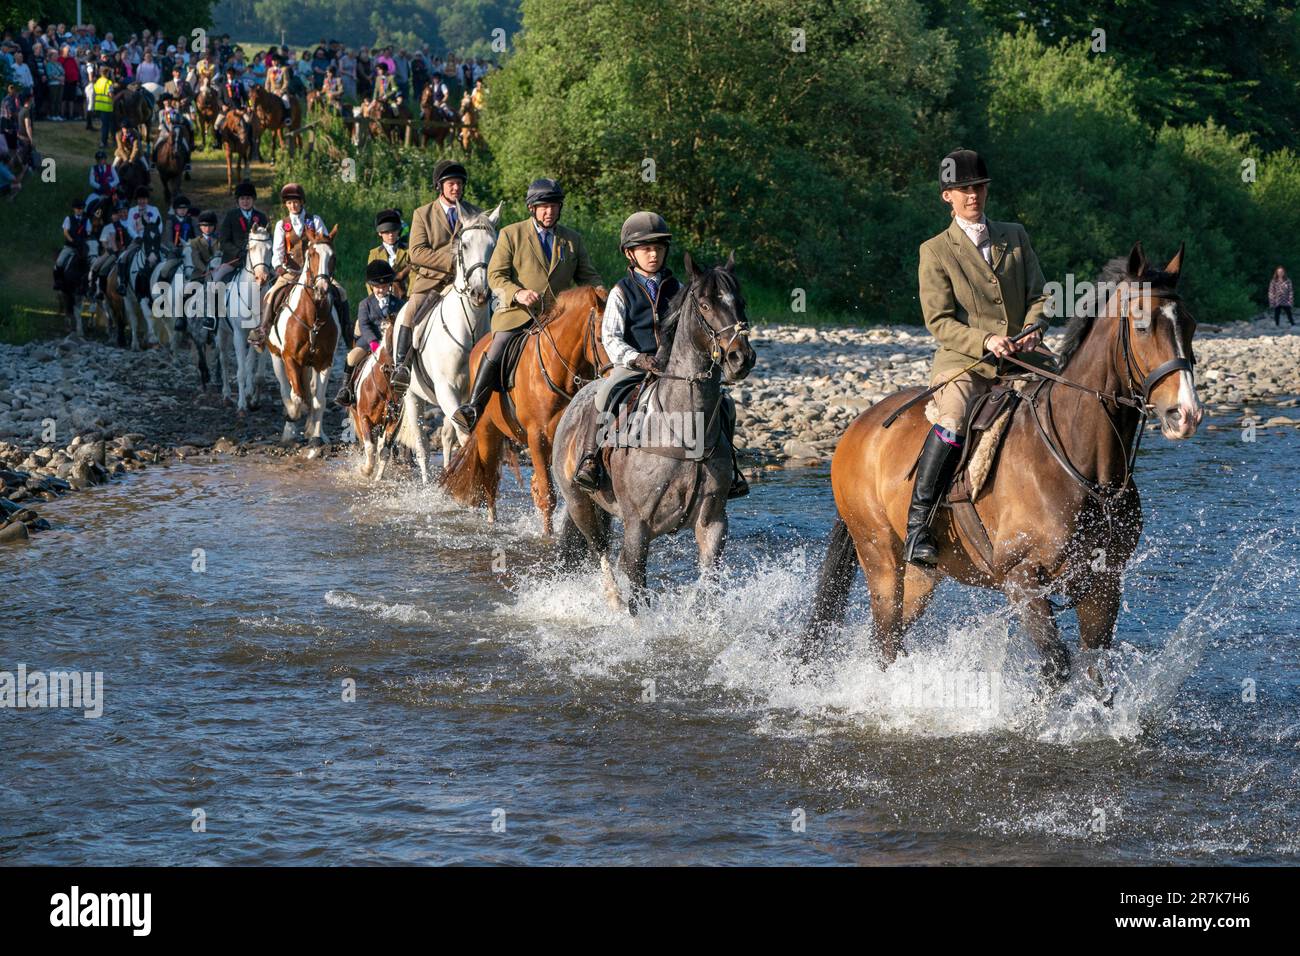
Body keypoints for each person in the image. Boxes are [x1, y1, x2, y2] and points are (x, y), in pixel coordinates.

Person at [907, 148, 1048, 566]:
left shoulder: (1015, 235)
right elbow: (939, 321)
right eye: (964, 189)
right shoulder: (934, 251)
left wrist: (1035, 326)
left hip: (1023, 355)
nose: (973, 195)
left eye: (979, 187)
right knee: (952, 421)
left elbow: (1040, 294)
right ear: (946, 196)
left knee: (1081, 394)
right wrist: (986, 339)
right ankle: (919, 526)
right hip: (964, 362)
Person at [449, 178, 601, 431]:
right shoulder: (511, 234)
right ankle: (473, 407)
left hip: (557, 317)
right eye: (543, 206)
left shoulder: (572, 239)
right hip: (518, 314)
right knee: (497, 347)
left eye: (553, 206)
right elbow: (495, 276)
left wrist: (602, 293)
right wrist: (517, 293)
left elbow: (589, 276)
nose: (549, 211)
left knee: (593, 347)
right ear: (532, 208)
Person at [391, 160, 481, 387]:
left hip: (469, 282)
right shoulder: (423, 214)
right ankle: (401, 367)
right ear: (439, 186)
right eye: (451, 184)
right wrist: (454, 261)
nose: (456, 188)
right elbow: (417, 253)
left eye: (459, 183)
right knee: (410, 312)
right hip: (431, 283)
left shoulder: (475, 213)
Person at [250, 182, 348, 350]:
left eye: (295, 202)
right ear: (286, 205)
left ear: (302, 202)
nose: (293, 205)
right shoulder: (282, 225)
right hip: (291, 272)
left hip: (315, 272)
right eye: (289, 202)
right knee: (272, 294)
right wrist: (278, 266)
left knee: (341, 292)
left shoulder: (315, 220)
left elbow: (324, 244)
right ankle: (262, 331)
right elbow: (277, 251)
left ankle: (347, 333)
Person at [335, 260, 406, 407]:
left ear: (389, 286)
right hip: (369, 342)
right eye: (377, 287)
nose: (381, 290)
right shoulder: (365, 304)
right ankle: (346, 389)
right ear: (371, 286)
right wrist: (373, 341)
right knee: (351, 357)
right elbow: (364, 325)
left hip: (391, 343)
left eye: (384, 286)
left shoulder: (399, 304)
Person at [215, 180, 269, 284]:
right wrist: (238, 252)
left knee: (275, 279)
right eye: (242, 199)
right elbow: (224, 241)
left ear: (253, 200)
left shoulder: (261, 217)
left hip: (258, 261)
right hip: (233, 261)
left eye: (248, 198)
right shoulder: (231, 216)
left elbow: (267, 240)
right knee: (216, 280)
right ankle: (209, 299)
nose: (245, 201)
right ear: (238, 200)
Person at [90, 200, 129, 298]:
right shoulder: (107, 227)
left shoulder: (125, 225)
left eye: (117, 214)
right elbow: (103, 242)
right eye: (114, 215)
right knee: (97, 266)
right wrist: (109, 249)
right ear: (111, 216)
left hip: (123, 250)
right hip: (110, 251)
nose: (115, 216)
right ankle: (96, 289)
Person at [367, 208, 410, 296]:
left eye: (393, 231)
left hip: (405, 296)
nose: (391, 235)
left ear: (398, 231)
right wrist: (374, 300)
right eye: (386, 232)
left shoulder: (408, 250)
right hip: (381, 296)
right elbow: (369, 280)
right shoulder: (374, 253)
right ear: (380, 233)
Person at [53, 198, 93, 291]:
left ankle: (91, 283)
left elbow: (89, 232)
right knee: (59, 262)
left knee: (92, 261)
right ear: (74, 209)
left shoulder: (86, 220)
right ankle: (58, 281)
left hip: (82, 247)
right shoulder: (68, 218)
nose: (79, 210)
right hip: (70, 246)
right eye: (78, 208)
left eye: (81, 208)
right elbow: (66, 232)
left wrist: (83, 240)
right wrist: (72, 240)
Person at [213, 64, 248, 136]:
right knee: (216, 125)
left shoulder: (239, 84)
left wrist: (247, 106)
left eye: (231, 73)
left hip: (238, 109)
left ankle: (250, 141)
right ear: (226, 74)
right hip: (226, 110)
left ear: (234, 74)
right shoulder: (222, 85)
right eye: (228, 73)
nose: (230, 75)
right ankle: (218, 142)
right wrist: (222, 105)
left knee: (248, 121)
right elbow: (219, 98)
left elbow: (245, 97)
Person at [91, 63, 115, 147]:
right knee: (106, 126)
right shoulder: (109, 82)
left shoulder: (98, 81)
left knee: (103, 125)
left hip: (98, 105)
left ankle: (104, 141)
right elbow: (110, 94)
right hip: (107, 107)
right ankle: (104, 142)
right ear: (107, 73)